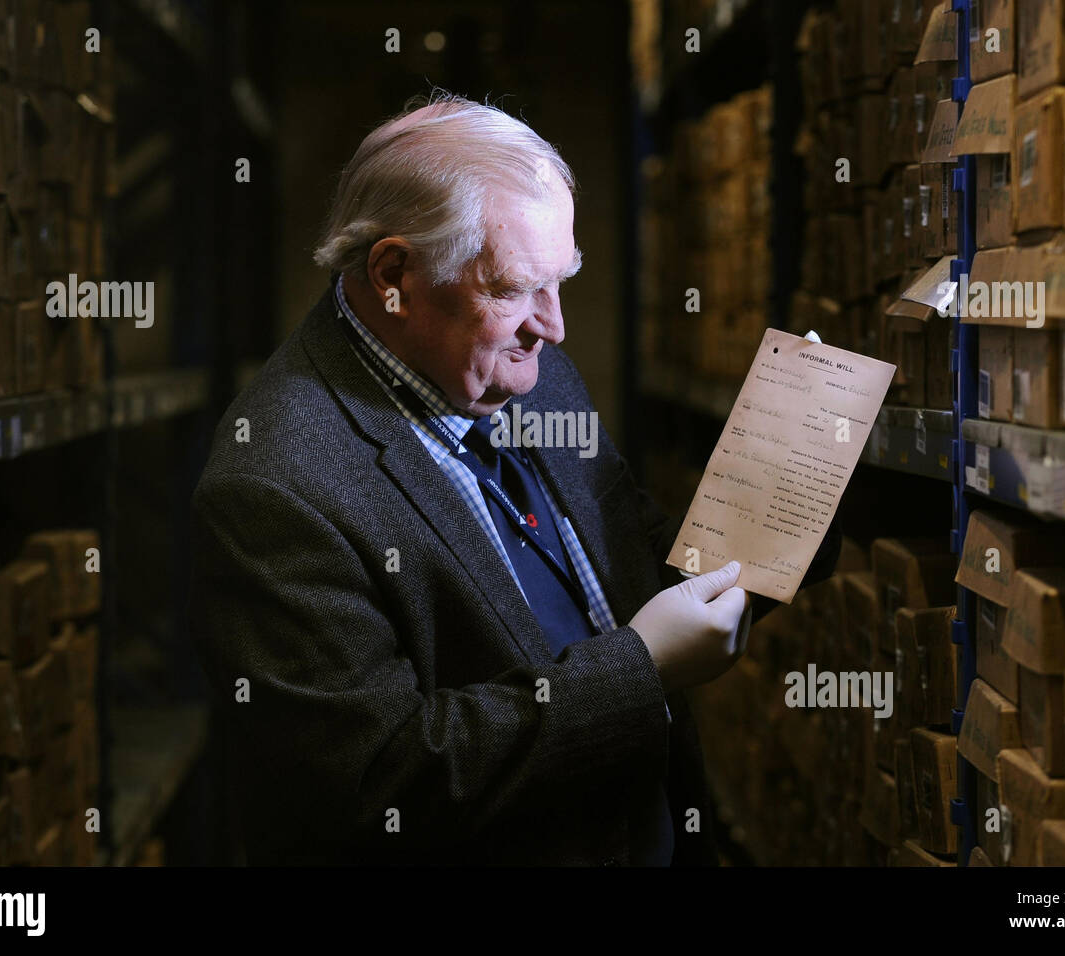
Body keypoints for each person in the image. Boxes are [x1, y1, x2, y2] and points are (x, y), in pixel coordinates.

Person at [190, 92, 840, 865]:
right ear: (393, 273)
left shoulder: (528, 371)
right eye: (513, 288)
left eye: (560, 281)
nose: (554, 325)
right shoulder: (274, 486)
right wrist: (640, 670)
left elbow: (640, 578)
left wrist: (790, 478)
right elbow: (380, 786)